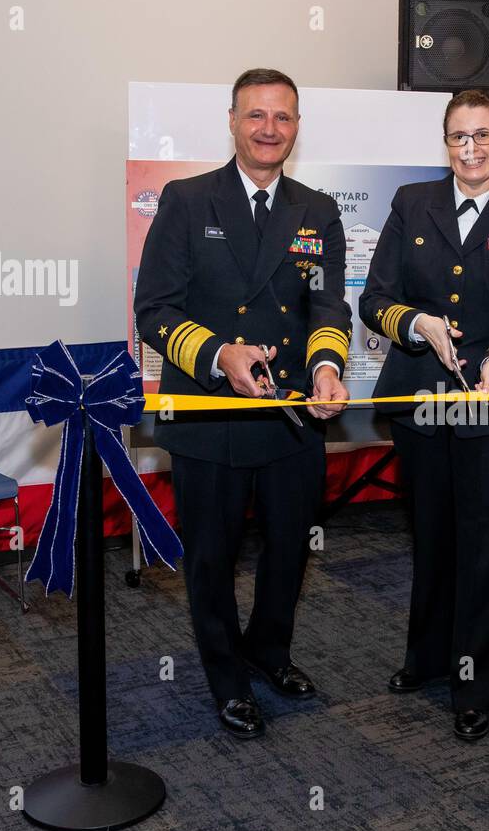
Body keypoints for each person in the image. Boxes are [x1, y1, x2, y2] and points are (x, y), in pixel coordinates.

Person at [134, 68, 351, 739]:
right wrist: (218, 355)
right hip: (209, 416)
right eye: (256, 115)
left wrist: (324, 367)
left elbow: (327, 306)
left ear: (296, 127)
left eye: (282, 118)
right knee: (212, 558)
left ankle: (270, 650)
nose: (269, 129)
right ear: (231, 121)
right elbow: (155, 311)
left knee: (290, 550)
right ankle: (227, 677)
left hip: (291, 417)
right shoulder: (187, 200)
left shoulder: (318, 210)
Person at [359, 89, 489, 741]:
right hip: (421, 394)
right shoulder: (412, 202)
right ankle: (428, 658)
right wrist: (415, 324)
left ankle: (474, 681)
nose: (469, 149)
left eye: (482, 135)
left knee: (486, 545)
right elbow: (376, 299)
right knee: (432, 533)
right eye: (457, 137)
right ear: (444, 142)